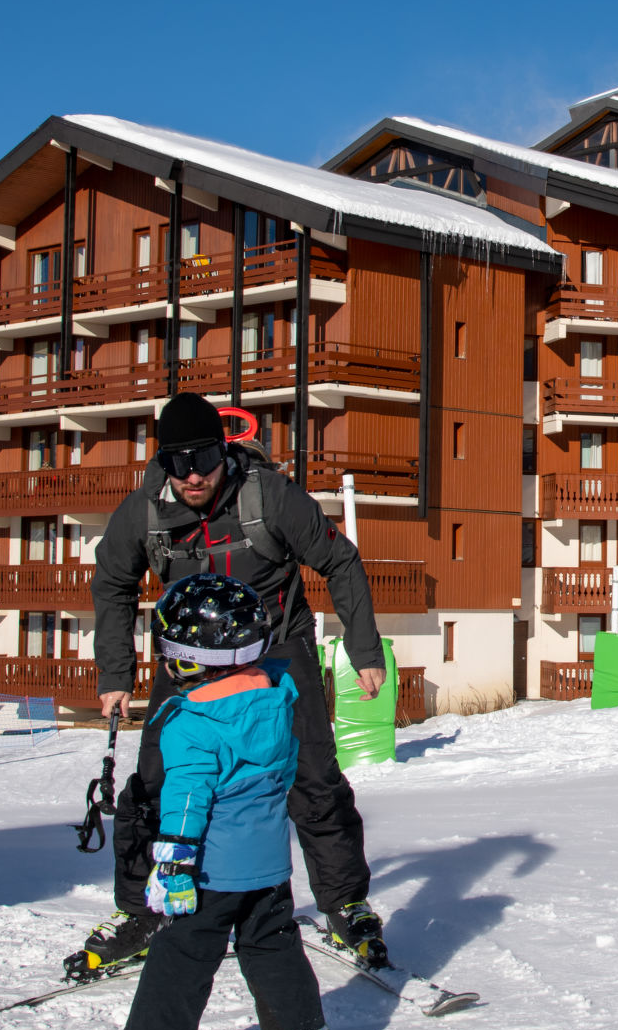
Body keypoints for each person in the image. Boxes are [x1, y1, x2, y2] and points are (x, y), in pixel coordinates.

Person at [66, 391, 391, 981]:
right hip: (188, 656)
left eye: (205, 458)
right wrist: (115, 673)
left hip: (274, 646)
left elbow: (340, 562)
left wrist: (363, 649)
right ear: (163, 460)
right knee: (155, 783)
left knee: (310, 774)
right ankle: (139, 909)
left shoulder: (269, 497)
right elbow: (112, 582)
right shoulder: (144, 509)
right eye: (179, 462)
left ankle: (345, 901)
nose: (193, 476)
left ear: (225, 449)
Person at [91, 573, 333, 1030]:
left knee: (181, 953)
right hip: (269, 867)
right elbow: (285, 769)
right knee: (272, 947)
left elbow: (185, 803)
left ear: (190, 659)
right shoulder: (278, 698)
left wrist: (172, 865)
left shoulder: (192, 724)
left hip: (209, 872)